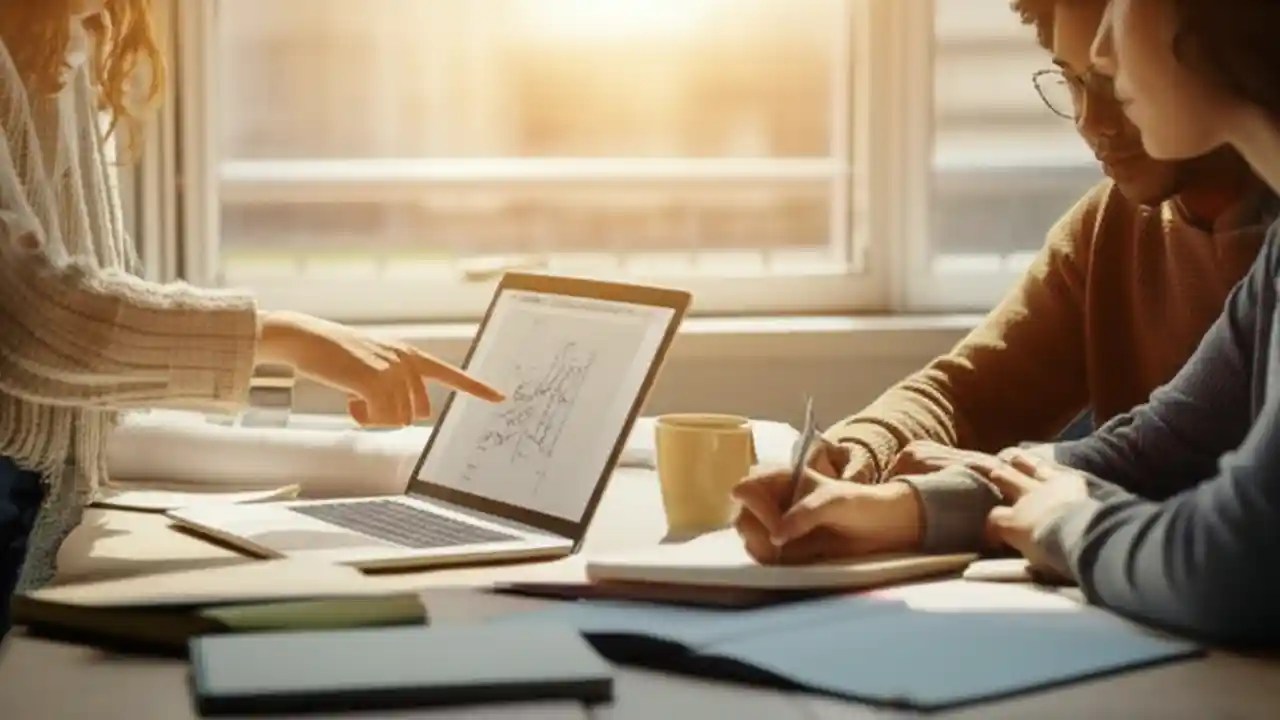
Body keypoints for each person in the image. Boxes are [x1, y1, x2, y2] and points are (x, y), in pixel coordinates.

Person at [743, 0, 1280, 644]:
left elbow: (1235, 554)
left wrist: (1070, 522)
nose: (1091, 117)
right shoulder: (1160, 238)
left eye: (1106, 75)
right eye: (1072, 81)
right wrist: (887, 495)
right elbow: (1142, 453)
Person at [0, 0, 505, 637]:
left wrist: (405, 462)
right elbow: (28, 321)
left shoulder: (64, 38)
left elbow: (105, 357)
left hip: (44, 507)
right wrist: (280, 336)